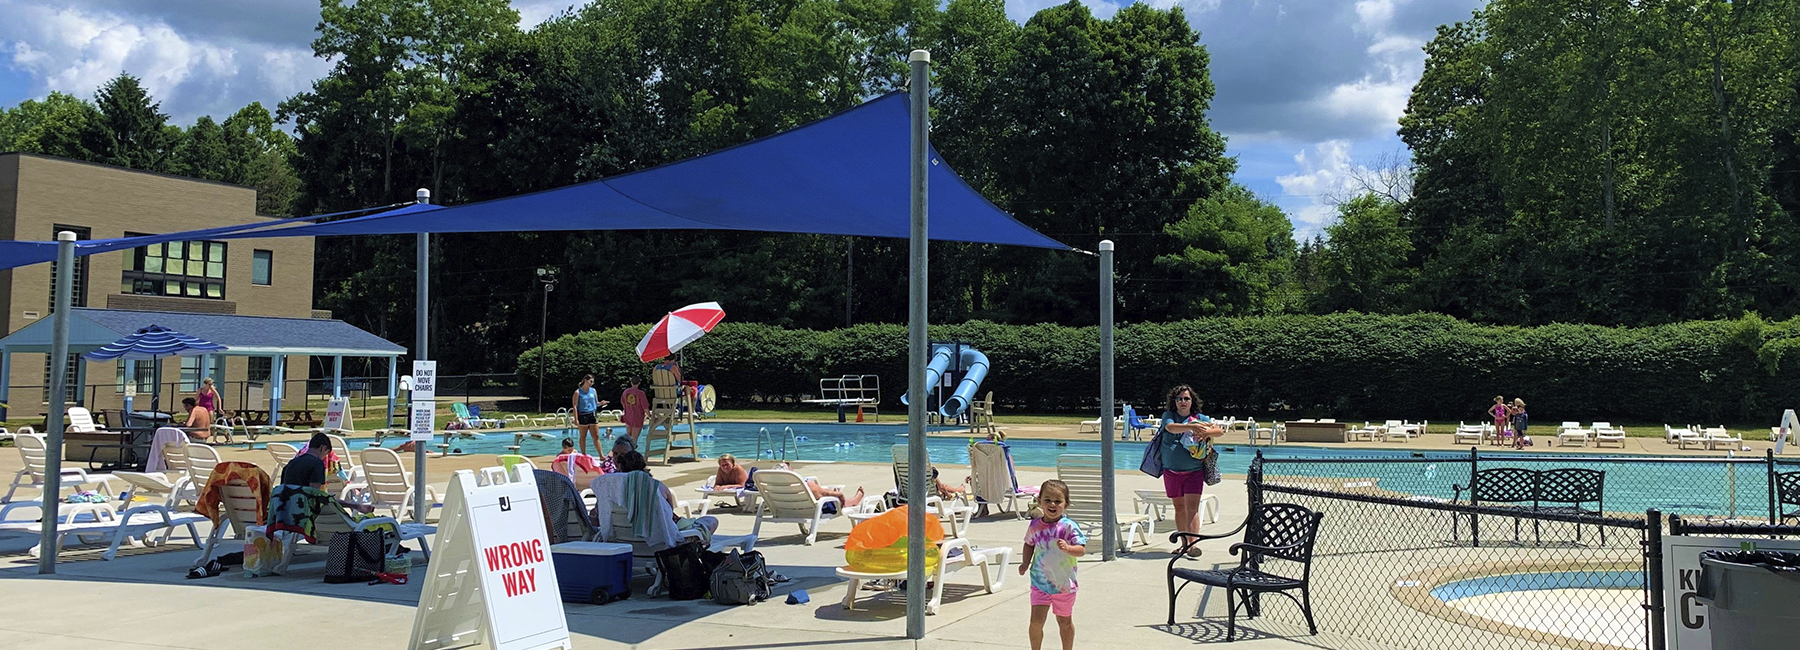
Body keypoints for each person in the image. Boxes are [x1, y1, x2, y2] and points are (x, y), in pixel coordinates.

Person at [1155, 385, 1222, 555]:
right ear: (1174, 401)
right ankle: (1184, 544)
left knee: (1192, 508)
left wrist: (1206, 432)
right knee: (1179, 507)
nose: (1183, 402)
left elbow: (1219, 431)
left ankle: (1193, 545)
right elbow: (1171, 428)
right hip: (1171, 471)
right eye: (1180, 399)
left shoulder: (1200, 418)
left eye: (1186, 398)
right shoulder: (1169, 416)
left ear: (1192, 401)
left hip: (1194, 471)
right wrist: (1192, 427)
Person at [1019, 479, 1085, 650]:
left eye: (1058, 501)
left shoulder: (1068, 527)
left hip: (1063, 585)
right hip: (1040, 583)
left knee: (1064, 621)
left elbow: (1081, 549)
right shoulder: (1035, 525)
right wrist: (1025, 562)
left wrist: (1069, 548)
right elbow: (1029, 543)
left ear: (1066, 504)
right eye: (1047, 500)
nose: (1052, 504)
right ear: (1039, 501)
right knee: (1036, 622)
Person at [612, 450, 717, 534]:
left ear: (621, 466)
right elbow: (669, 512)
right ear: (643, 466)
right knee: (711, 521)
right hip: (663, 537)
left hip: (624, 538)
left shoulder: (611, 491)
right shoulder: (657, 487)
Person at [281, 433, 374, 514]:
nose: (324, 458)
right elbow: (316, 497)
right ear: (323, 448)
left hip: (287, 513)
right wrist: (355, 505)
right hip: (306, 517)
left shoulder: (291, 463)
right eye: (326, 454)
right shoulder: (317, 464)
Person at [572, 374, 609, 456]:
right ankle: (583, 454)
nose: (591, 383)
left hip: (592, 414)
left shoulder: (593, 390)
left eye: (592, 382)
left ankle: (601, 455)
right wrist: (576, 419)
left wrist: (601, 403)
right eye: (590, 381)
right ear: (585, 380)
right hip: (583, 415)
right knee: (583, 437)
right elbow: (575, 406)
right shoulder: (578, 392)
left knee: (596, 436)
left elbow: (596, 403)